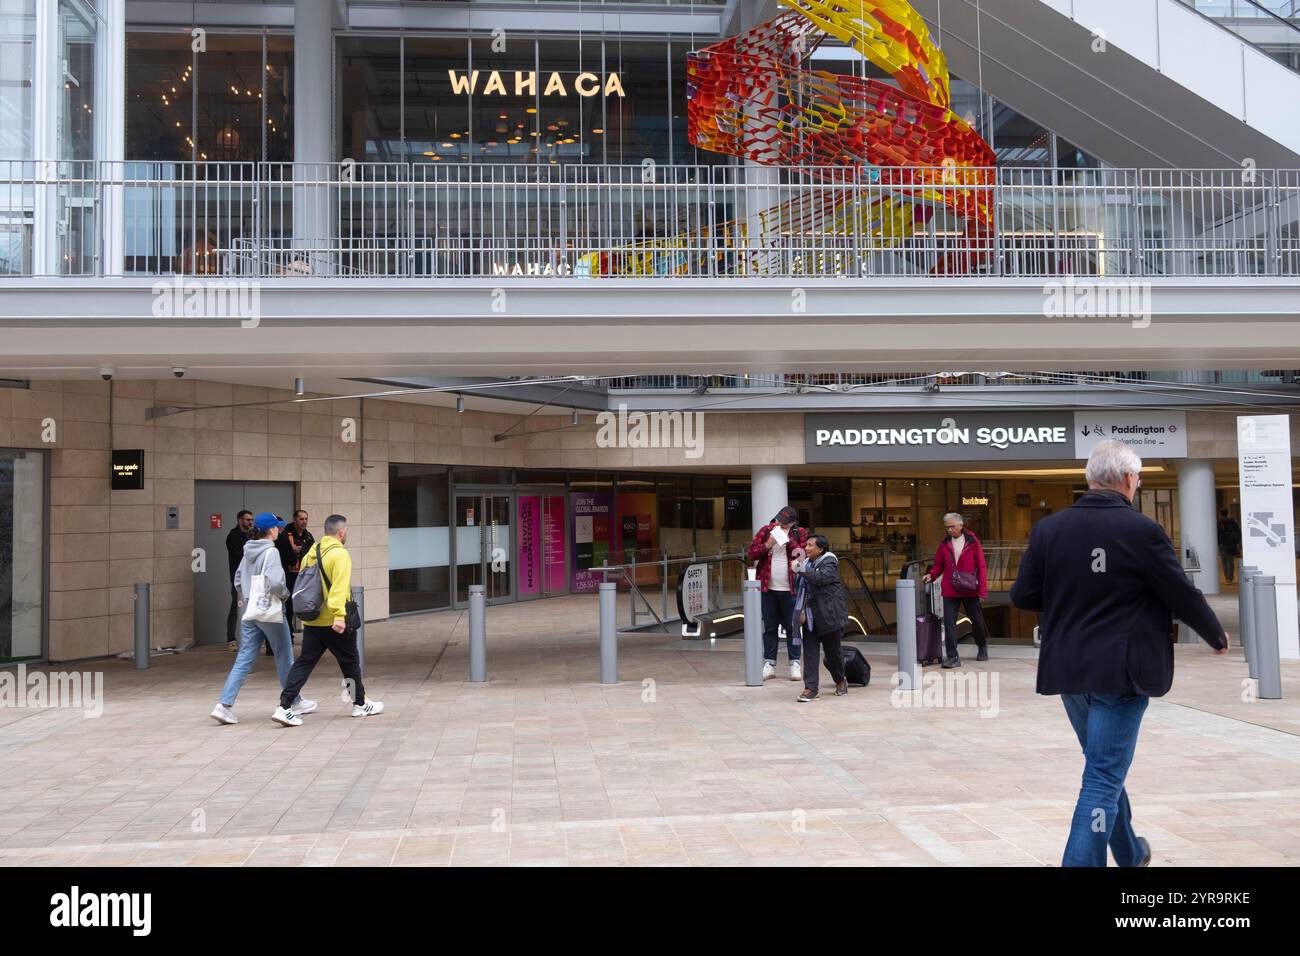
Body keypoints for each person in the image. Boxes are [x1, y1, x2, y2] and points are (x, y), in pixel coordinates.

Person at [1010, 440, 1229, 868]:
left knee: (1102, 767)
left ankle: (1129, 853)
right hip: (1122, 672)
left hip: (1070, 670)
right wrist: (1215, 634)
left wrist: (1072, 600)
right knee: (1102, 776)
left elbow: (1024, 594)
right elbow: (1178, 591)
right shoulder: (1142, 530)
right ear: (1129, 480)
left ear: (1090, 478)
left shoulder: (1049, 530)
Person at [273, 514, 383, 726]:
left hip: (312, 620)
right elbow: (339, 588)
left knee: (304, 663)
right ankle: (359, 704)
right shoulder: (340, 555)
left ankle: (284, 706)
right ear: (341, 532)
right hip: (334, 622)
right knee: (350, 663)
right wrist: (340, 616)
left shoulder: (310, 552)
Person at [211, 513, 317, 724]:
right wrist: (285, 595)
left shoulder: (248, 550)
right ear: (270, 530)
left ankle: (224, 705)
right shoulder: (272, 552)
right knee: (285, 655)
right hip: (270, 612)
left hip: (251, 611)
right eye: (276, 527)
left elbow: (238, 580)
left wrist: (250, 596)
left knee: (244, 658)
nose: (279, 529)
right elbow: (277, 582)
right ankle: (292, 701)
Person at [746, 505, 809, 682]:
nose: (779, 524)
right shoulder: (767, 531)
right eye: (779, 520)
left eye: (784, 522)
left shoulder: (800, 533)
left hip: (792, 590)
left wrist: (787, 541)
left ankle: (795, 663)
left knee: (793, 628)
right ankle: (769, 663)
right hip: (768, 588)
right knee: (770, 627)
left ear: (793, 523)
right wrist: (769, 544)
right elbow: (752, 553)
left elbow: (803, 555)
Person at [922, 512, 991, 668]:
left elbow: (981, 566)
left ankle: (982, 647)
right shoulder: (945, 543)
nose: (950, 530)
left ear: (961, 525)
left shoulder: (972, 541)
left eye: (952, 527)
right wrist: (931, 575)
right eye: (947, 527)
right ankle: (953, 656)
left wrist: (982, 591)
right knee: (949, 622)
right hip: (950, 588)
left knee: (977, 620)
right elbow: (939, 565)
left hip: (969, 588)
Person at [793, 534, 849, 702]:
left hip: (829, 615)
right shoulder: (807, 563)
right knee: (810, 653)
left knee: (833, 654)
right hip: (810, 615)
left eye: (810, 545)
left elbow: (820, 578)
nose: (806, 548)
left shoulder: (830, 562)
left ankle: (840, 680)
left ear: (821, 549)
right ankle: (811, 688)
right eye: (806, 545)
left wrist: (800, 569)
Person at [276, 509, 315, 632]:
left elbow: (313, 552)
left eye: (306, 519)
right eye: (301, 519)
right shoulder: (286, 534)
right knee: (288, 607)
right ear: (294, 519)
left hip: (304, 576)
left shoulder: (308, 536)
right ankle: (289, 633)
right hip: (289, 575)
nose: (304, 521)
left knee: (305, 605)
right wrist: (292, 551)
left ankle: (308, 631)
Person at [225, 510, 254, 650]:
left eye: (251, 520)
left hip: (252, 578)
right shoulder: (233, 536)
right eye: (247, 519)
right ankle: (231, 639)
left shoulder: (252, 536)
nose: (250, 522)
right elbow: (241, 557)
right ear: (239, 520)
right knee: (236, 608)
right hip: (239, 579)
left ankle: (250, 638)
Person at [1217, 508, 1241, 585]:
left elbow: (1217, 533)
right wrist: (1237, 542)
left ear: (1221, 514)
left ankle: (1228, 578)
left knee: (1226, 562)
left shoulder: (1221, 523)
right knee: (1230, 562)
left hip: (1224, 544)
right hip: (1229, 544)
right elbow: (1238, 532)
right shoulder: (1231, 522)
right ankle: (1229, 578)